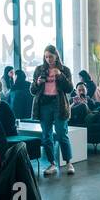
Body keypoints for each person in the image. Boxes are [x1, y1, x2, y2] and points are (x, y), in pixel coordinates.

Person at [30, 44, 75, 177]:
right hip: (44, 105)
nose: (48, 59)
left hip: (59, 104)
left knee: (62, 133)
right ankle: (52, 164)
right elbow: (32, 91)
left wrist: (60, 75)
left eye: (50, 56)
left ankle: (68, 163)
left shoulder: (64, 70)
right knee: (46, 136)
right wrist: (37, 83)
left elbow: (69, 89)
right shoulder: (39, 69)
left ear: (56, 56)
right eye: (46, 57)